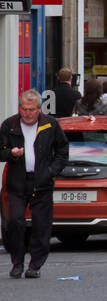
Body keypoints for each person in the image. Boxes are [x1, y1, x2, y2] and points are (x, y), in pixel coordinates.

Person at [2, 89, 69, 278]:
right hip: (17, 181)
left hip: (42, 181)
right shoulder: (9, 125)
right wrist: (10, 154)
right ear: (19, 108)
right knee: (15, 222)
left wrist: (50, 171)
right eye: (24, 109)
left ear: (39, 109)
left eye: (31, 109)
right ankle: (17, 262)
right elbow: (1, 151)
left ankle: (35, 265)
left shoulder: (50, 125)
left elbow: (63, 151)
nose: (27, 113)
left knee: (41, 225)